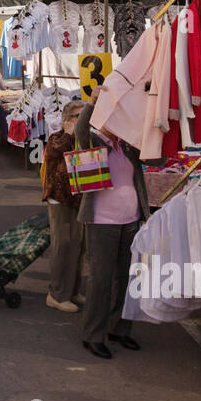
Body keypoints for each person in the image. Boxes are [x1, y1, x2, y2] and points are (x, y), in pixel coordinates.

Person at [74, 90, 150, 357]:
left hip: (130, 220)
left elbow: (157, 158)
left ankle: (120, 329)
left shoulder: (129, 146)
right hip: (101, 221)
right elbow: (79, 130)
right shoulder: (95, 141)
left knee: (128, 278)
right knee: (101, 280)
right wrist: (91, 103)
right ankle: (93, 334)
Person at [42, 100, 86, 312]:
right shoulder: (58, 138)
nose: (82, 119)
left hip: (78, 199)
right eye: (78, 116)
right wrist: (69, 132)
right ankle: (57, 294)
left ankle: (72, 290)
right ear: (68, 119)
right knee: (63, 246)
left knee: (78, 246)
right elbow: (56, 150)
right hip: (60, 199)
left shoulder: (84, 138)